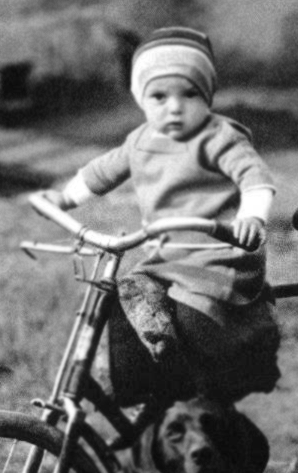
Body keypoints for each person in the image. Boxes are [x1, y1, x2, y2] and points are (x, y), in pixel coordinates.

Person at [50, 26, 280, 402]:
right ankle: (148, 381)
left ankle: (215, 382)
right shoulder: (140, 140)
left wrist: (252, 216)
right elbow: (101, 172)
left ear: (206, 96)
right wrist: (64, 199)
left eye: (189, 94)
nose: (174, 107)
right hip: (166, 255)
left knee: (196, 316)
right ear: (142, 100)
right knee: (126, 294)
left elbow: (254, 177)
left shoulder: (219, 136)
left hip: (218, 256)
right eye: (159, 96)